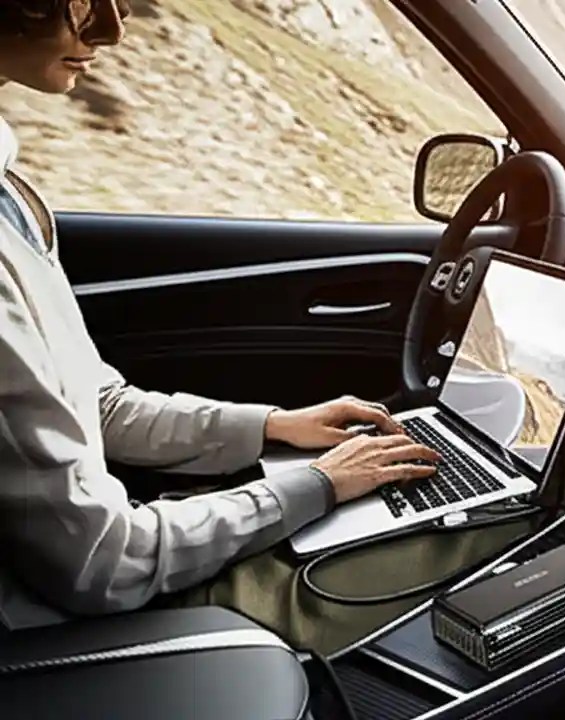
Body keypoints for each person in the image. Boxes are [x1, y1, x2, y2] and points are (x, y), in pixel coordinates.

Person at [0, 0, 443, 629]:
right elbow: (102, 561)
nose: (112, 28)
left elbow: (97, 406)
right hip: (46, 621)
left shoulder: (9, 195)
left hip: (84, 566)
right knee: (434, 552)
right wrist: (314, 486)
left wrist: (273, 427)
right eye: (78, 1)